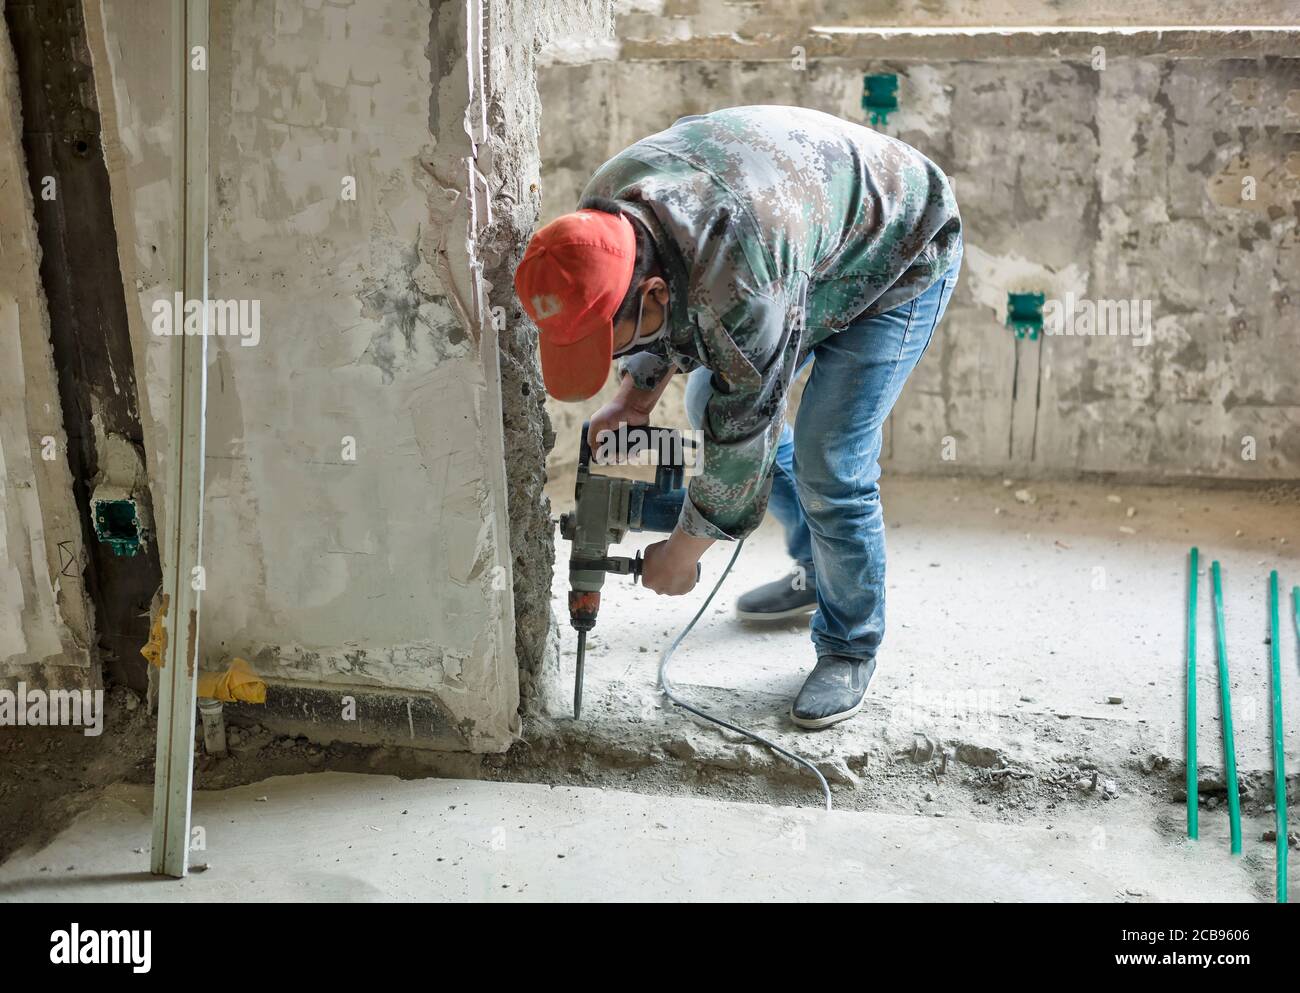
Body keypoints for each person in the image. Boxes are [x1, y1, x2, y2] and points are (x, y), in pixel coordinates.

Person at [515, 106, 962, 729]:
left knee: (829, 459)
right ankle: (818, 571)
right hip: (804, 238)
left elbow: (742, 437)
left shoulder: (742, 282)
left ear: (652, 298)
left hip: (899, 247)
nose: (611, 357)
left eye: (606, 343)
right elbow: (676, 304)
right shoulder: (603, 219)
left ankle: (849, 647)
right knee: (702, 400)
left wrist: (682, 552)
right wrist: (633, 397)